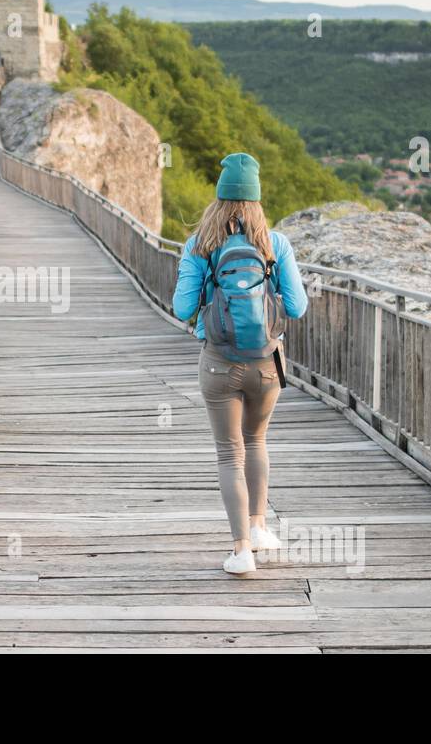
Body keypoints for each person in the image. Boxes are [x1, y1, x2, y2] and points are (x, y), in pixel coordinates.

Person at [172, 153, 309, 575]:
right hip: (267, 363)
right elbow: (298, 307)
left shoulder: (200, 245)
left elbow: (180, 308)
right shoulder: (276, 244)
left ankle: (242, 550)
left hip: (218, 364)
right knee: (256, 442)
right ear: (256, 199)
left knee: (229, 453)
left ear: (219, 197)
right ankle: (261, 526)